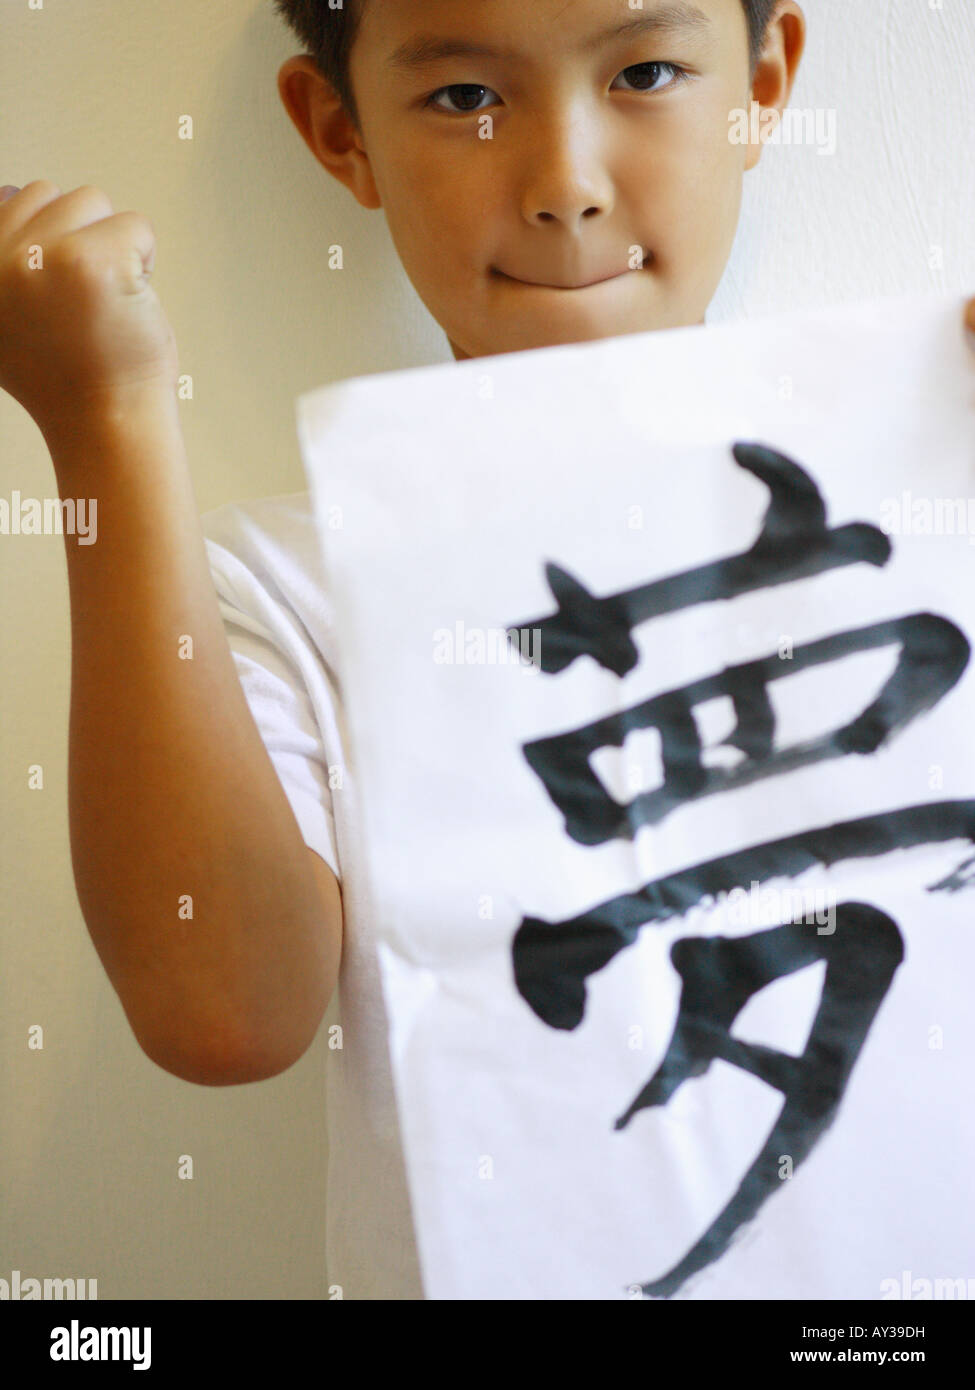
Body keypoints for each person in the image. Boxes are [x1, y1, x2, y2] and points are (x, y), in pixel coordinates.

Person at [0, 0, 971, 1300]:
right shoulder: (286, 584)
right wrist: (104, 416)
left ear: (764, 81)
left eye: (646, 71)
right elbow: (223, 1013)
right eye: (466, 98)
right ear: (341, 132)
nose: (565, 182)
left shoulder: (936, 498)